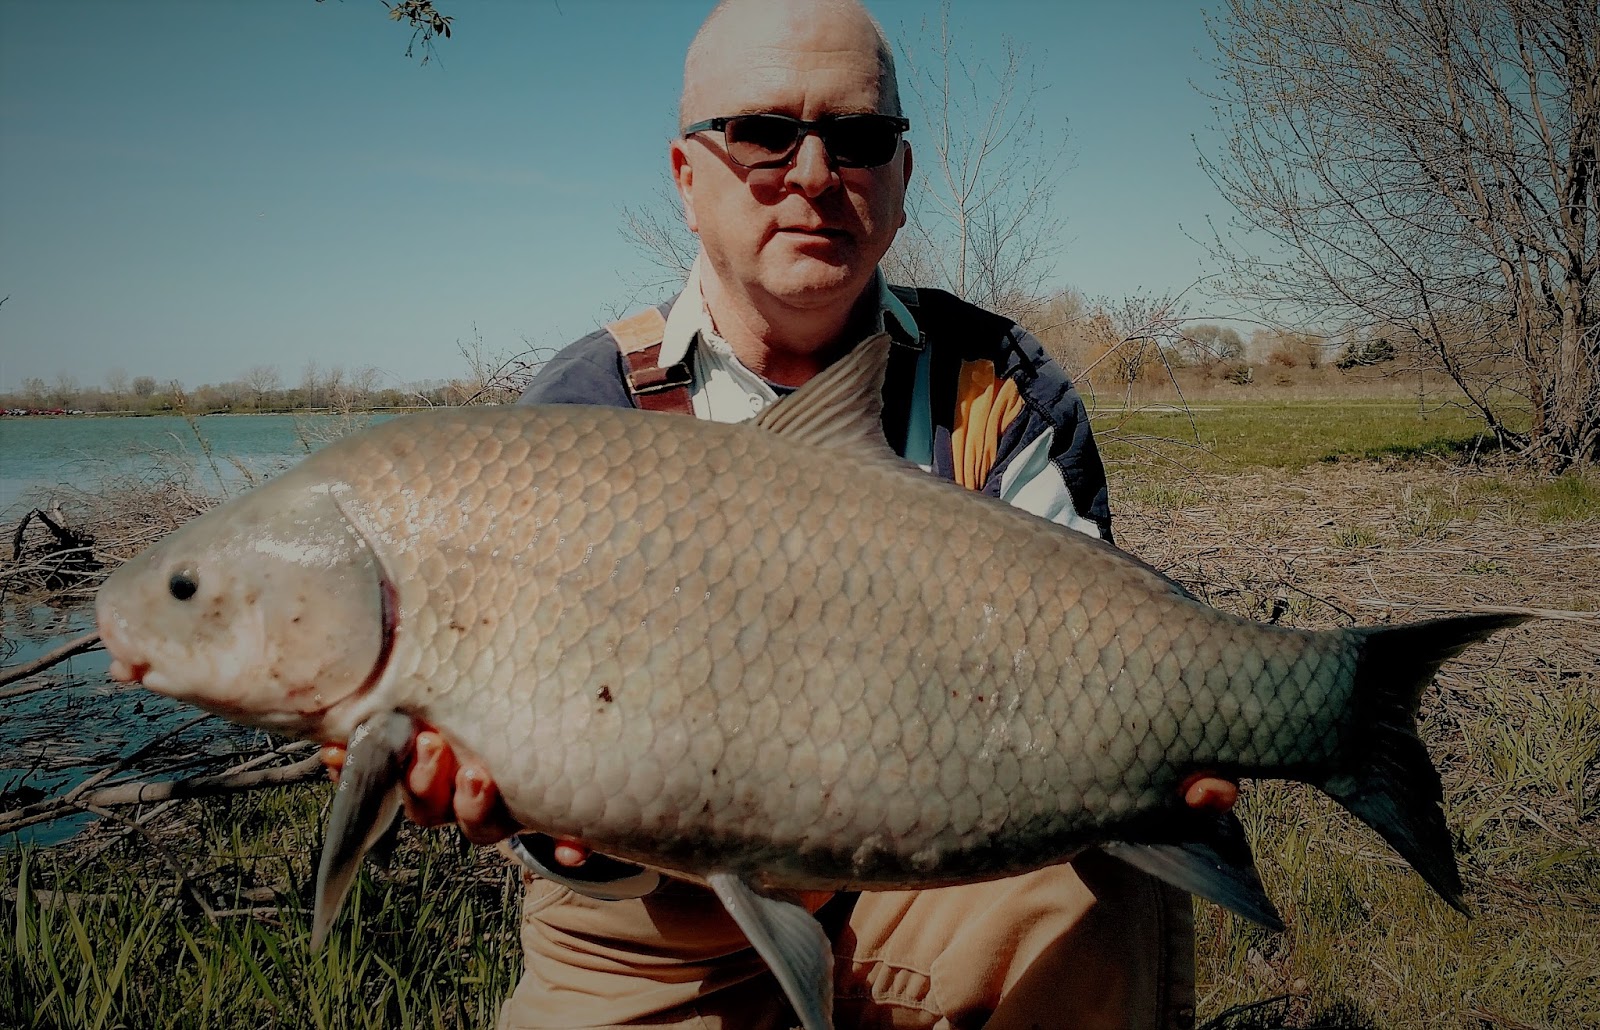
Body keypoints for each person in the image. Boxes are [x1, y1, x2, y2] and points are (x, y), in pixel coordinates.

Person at [324, 1, 1236, 1025]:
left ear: (899, 178)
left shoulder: (1001, 384)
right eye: (762, 134)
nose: (812, 175)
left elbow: (1104, 660)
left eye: (857, 138)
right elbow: (529, 793)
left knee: (1101, 873)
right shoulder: (582, 410)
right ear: (684, 178)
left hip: (947, 875)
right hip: (653, 928)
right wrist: (540, 818)